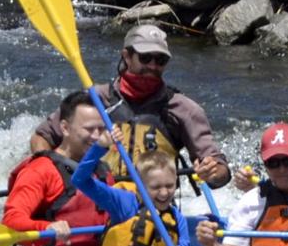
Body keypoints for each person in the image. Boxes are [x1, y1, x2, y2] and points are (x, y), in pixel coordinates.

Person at [30, 23, 231, 188]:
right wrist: (54, 174)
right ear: (127, 56)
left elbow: (220, 169)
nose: (153, 66)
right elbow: (42, 137)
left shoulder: (183, 109)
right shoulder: (94, 100)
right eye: (145, 58)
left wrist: (212, 172)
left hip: (154, 211)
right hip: (99, 202)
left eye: (160, 60)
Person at [71, 129, 203, 246]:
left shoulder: (176, 218)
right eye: (156, 187)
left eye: (169, 185)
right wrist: (100, 147)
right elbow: (80, 180)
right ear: (139, 186)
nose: (164, 193)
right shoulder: (124, 203)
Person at [2, 91, 111, 246]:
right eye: (89, 129)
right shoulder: (40, 170)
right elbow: (11, 222)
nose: (97, 137)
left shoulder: (102, 171)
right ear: (64, 128)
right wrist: (47, 228)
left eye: (102, 129)